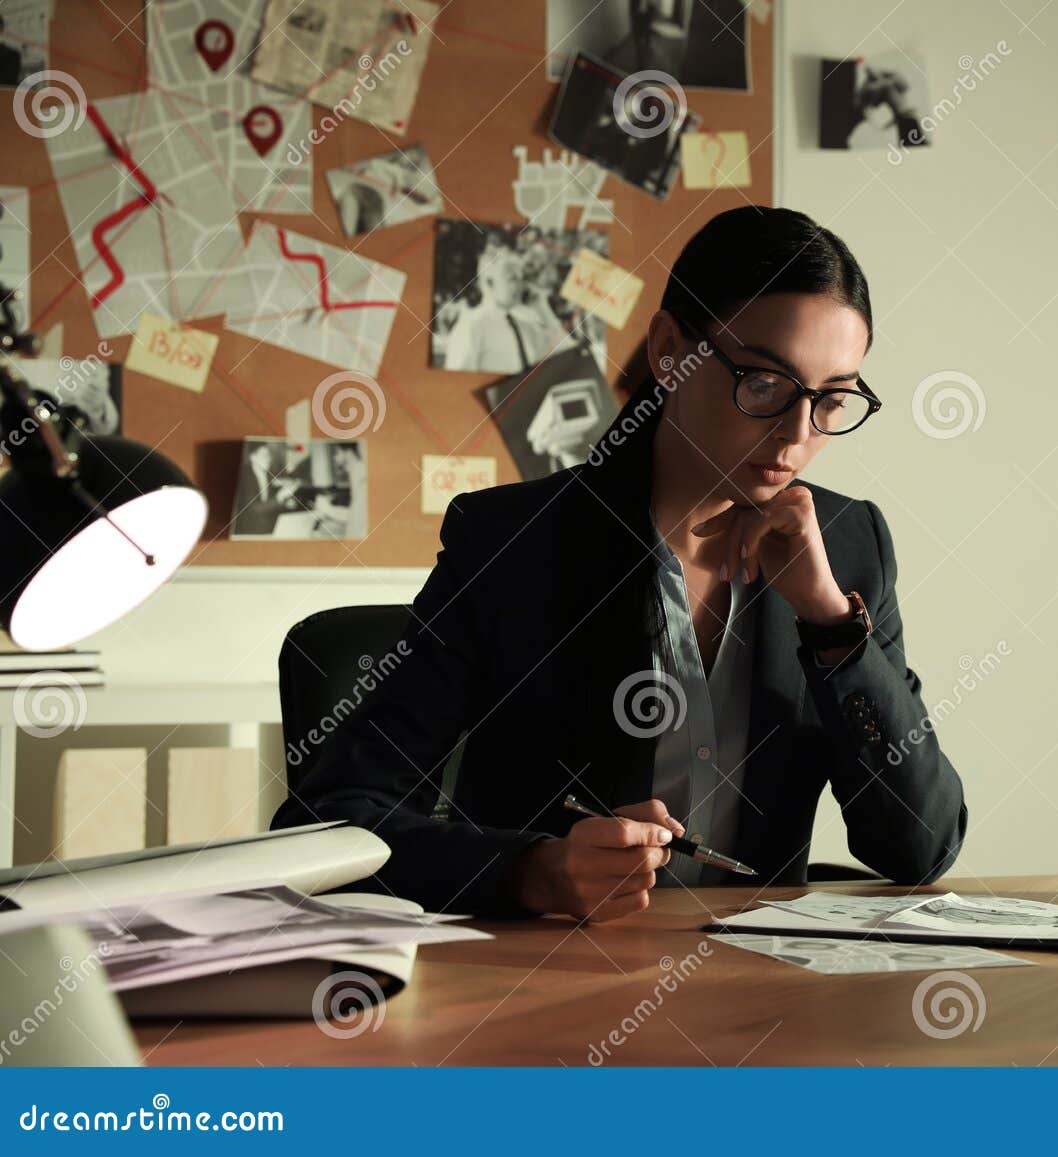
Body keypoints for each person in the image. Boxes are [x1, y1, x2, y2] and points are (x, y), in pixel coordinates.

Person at [274, 206, 967, 922]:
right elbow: (327, 821)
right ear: (671, 349)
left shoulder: (850, 545)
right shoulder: (512, 542)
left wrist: (829, 623)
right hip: (550, 987)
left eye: (833, 398)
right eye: (764, 383)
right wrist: (531, 871)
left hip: (762, 993)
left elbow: (921, 846)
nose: (798, 433)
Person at [443, 245, 571, 373]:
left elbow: (567, 355)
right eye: (512, 279)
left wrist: (543, 310)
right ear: (490, 283)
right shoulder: (471, 326)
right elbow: (455, 381)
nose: (520, 286)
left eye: (521, 279)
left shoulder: (528, 322)